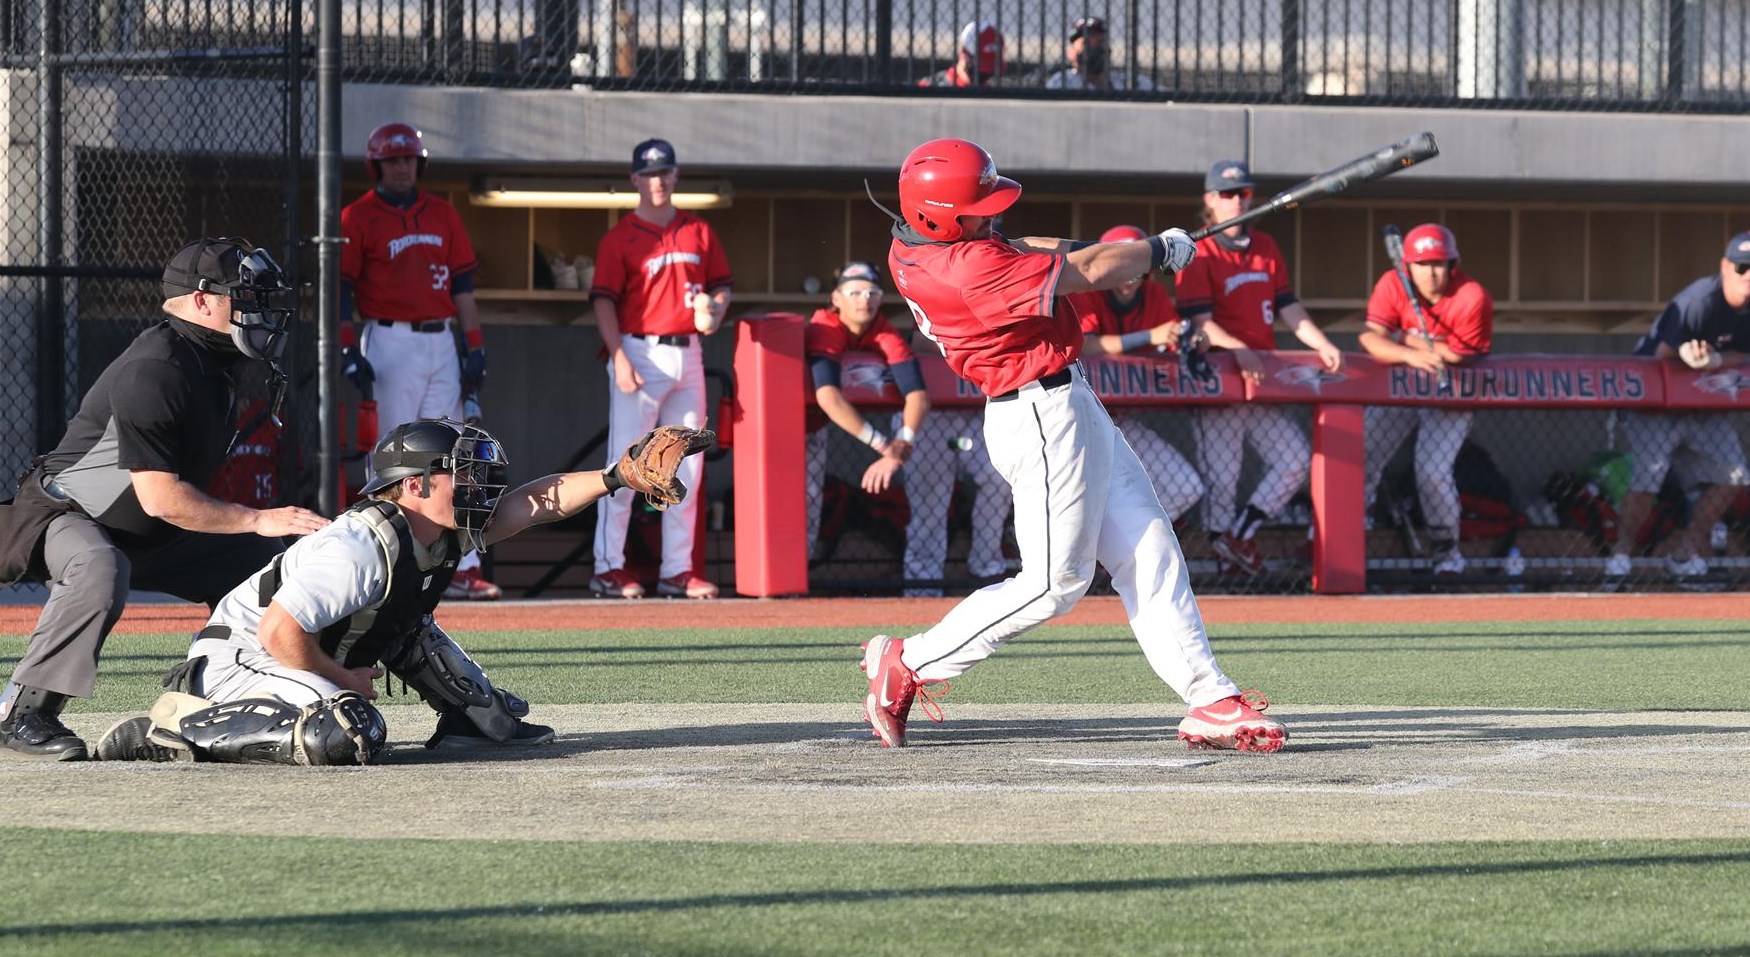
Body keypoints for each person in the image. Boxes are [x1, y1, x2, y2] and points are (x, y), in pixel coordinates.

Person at [862, 137, 1286, 753]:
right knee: (1054, 585)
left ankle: (1209, 698)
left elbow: (1034, 247)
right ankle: (912, 661)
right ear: (941, 214)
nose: (994, 212)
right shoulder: (965, 271)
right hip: (1038, 417)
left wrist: (1137, 251)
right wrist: (1155, 253)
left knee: (1149, 547)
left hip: (1068, 401)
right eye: (979, 205)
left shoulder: (918, 241)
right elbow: (1082, 273)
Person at [91, 418, 715, 765]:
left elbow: (532, 502)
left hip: (299, 649)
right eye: (461, 474)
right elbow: (278, 632)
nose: (477, 487)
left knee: (485, 719)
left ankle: (458, 715)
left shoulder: (439, 526)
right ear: (414, 485)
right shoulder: (359, 544)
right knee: (345, 735)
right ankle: (176, 724)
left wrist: (615, 475)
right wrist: (342, 676)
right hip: (242, 662)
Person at [0, 238, 327, 760]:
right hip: (68, 514)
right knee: (100, 566)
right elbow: (161, 498)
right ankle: (23, 714)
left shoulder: (215, 359)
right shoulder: (157, 368)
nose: (260, 311)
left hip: (142, 527)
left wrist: (258, 534)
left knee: (264, 567)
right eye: (245, 297)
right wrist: (257, 517)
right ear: (201, 301)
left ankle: (229, 691)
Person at [339, 120, 501, 602]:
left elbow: (462, 289)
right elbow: (341, 292)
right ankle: (387, 556)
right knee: (394, 452)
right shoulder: (358, 216)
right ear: (377, 165)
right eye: (393, 160)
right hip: (389, 338)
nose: (402, 167)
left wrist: (475, 346)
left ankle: (463, 563)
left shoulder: (443, 214)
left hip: (440, 340)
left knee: (456, 451)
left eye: (408, 159)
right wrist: (350, 348)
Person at [1175, 159, 1343, 576]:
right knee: (1222, 478)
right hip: (1219, 378)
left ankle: (1240, 534)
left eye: (1243, 193)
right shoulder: (1199, 250)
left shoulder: (1265, 246)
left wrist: (1320, 341)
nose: (1236, 201)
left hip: (1261, 377)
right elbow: (1199, 320)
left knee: (1293, 459)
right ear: (1210, 201)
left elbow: (1288, 307)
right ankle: (1223, 562)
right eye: (1227, 194)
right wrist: (1237, 348)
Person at [804, 261, 1010, 595]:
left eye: (871, 292)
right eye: (854, 292)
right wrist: (882, 445)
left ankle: (986, 573)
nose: (864, 300)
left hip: (816, 434)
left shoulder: (882, 330)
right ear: (836, 298)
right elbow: (827, 396)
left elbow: (917, 395)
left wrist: (900, 444)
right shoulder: (823, 326)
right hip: (786, 432)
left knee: (810, 509)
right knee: (803, 509)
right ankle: (789, 592)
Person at [588, 137, 732, 600]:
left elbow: (722, 286)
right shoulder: (620, 237)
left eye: (665, 171)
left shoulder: (698, 231)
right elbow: (603, 302)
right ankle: (608, 567)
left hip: (686, 350)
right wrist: (619, 355)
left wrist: (717, 306)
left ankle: (677, 569)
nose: (658, 180)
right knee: (628, 461)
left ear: (675, 176)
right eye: (650, 173)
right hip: (639, 348)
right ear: (635, 179)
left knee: (686, 463)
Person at [1605, 232, 1750, 579]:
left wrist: (1714, 360)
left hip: (1702, 404)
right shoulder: (1701, 299)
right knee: (1647, 482)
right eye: (1743, 267)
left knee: (1735, 476)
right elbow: (1662, 356)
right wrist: (1689, 356)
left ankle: (1686, 550)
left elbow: (1743, 353)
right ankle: (1620, 557)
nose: (1749, 275)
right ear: (1725, 267)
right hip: (1656, 404)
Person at [1357, 223, 1495, 575]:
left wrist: (1406, 338)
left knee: (1432, 472)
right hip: (1403, 385)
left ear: (1453, 264)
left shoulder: (1471, 296)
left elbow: (1460, 356)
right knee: (1362, 457)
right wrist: (1409, 354)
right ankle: (1354, 534)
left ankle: (1447, 553)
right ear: (1408, 267)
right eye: (1422, 264)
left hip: (1453, 390)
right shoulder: (1392, 283)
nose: (1431, 273)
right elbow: (1371, 339)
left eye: (1439, 263)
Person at [1060, 225, 1205, 525]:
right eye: (1121, 265)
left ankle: (1117, 547)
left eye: (1134, 266)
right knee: (1075, 500)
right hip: (1078, 418)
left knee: (1186, 488)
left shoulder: (1153, 293)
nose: (1129, 276)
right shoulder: (1087, 291)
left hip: (1123, 421)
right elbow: (1086, 344)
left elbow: (1170, 336)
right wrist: (1151, 335)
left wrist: (1188, 338)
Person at [1042, 16, 1154, 91]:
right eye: (1086, 43)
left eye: (1100, 42)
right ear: (1070, 52)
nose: (1094, 48)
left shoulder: (1130, 82)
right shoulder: (1062, 82)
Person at [919, 22, 1004, 88]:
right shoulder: (929, 87)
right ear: (963, 54)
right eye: (983, 66)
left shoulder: (994, 92)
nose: (987, 73)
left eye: (991, 68)